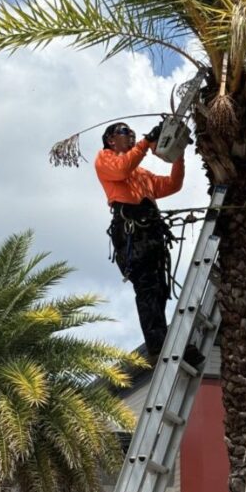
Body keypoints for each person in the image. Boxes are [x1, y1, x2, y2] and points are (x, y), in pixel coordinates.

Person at [95, 121, 202, 368]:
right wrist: (145, 142)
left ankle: (163, 341)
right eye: (125, 132)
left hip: (151, 233)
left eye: (133, 132)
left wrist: (178, 154)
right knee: (147, 289)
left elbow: (173, 185)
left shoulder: (141, 174)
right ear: (111, 139)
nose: (131, 134)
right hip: (133, 235)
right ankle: (157, 346)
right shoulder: (105, 159)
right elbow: (121, 170)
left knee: (159, 290)